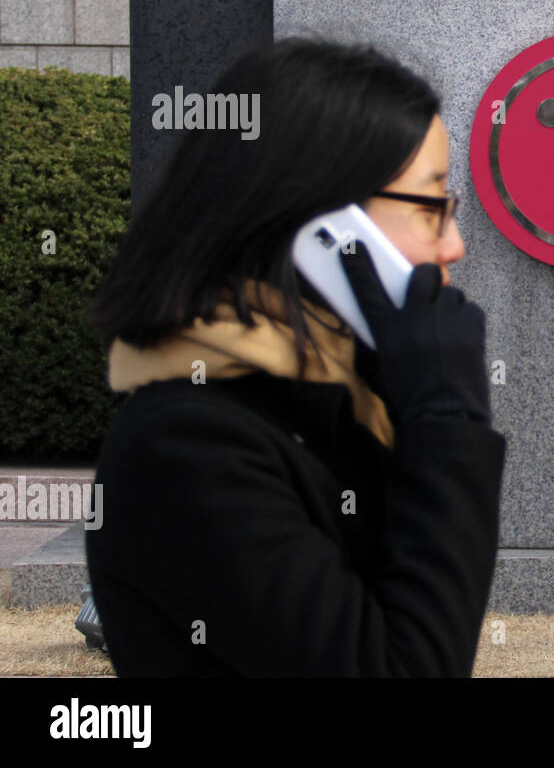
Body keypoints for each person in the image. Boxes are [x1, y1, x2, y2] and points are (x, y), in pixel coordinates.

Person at [84, 37, 506, 676]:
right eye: (432, 206)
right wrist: (448, 418)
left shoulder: (343, 404)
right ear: (326, 231)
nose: (455, 245)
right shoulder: (188, 447)